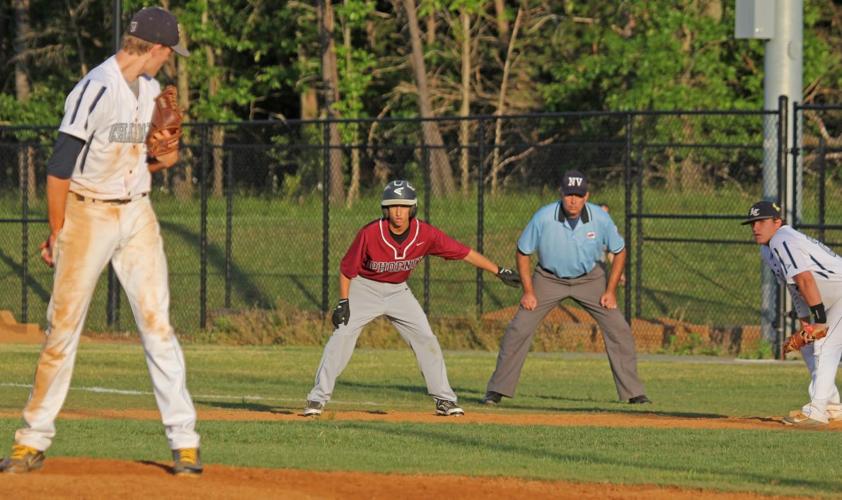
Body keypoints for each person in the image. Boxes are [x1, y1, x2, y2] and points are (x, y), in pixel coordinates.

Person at [0, 7, 202, 475]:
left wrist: (165, 161)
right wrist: (58, 231)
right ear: (155, 48)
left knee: (158, 325)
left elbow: (142, 161)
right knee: (62, 329)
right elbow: (58, 169)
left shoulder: (150, 90)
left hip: (136, 213)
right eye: (169, 52)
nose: (169, 62)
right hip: (87, 212)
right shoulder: (95, 89)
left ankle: (185, 441)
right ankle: (31, 440)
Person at [303, 180, 521, 417]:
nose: (398, 211)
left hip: (399, 291)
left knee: (425, 338)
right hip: (365, 288)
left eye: (404, 206)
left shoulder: (425, 233)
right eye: (393, 206)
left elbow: (463, 252)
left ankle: (444, 400)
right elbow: (347, 270)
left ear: (412, 208)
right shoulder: (370, 233)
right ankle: (317, 399)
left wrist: (498, 270)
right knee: (342, 336)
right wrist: (343, 302)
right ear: (385, 209)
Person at [483, 170, 649, 405]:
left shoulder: (601, 219)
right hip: (548, 279)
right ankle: (496, 390)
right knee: (518, 329)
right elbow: (523, 252)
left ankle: (634, 393)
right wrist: (528, 292)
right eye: (569, 194)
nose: (573, 200)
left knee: (619, 329)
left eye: (578, 195)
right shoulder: (543, 217)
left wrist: (610, 291)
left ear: (586, 196)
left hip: (591, 279)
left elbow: (620, 251)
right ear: (561, 194)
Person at [742, 200, 842, 427]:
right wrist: (806, 324)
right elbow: (795, 287)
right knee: (808, 344)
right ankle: (832, 405)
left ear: (777, 222)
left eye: (761, 221)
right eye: (752, 223)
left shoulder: (782, 238)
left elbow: (804, 279)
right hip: (832, 301)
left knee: (825, 346)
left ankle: (816, 411)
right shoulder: (767, 250)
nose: (755, 227)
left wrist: (819, 321)